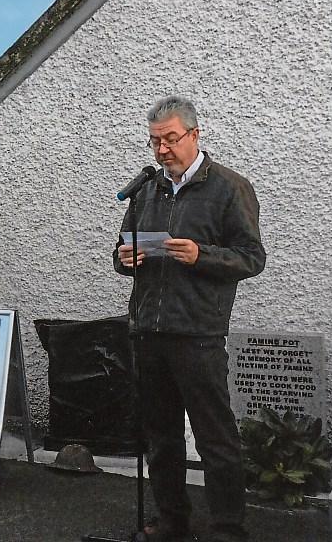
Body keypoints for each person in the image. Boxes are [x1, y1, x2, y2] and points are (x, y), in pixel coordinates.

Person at [113, 96, 266, 542]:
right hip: (149, 331)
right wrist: (127, 258)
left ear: (195, 136)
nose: (161, 150)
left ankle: (227, 529)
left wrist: (201, 255)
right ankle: (171, 521)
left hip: (198, 333)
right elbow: (120, 255)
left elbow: (251, 257)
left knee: (215, 439)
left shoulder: (228, 187)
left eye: (170, 139)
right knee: (161, 439)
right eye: (154, 141)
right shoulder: (146, 189)